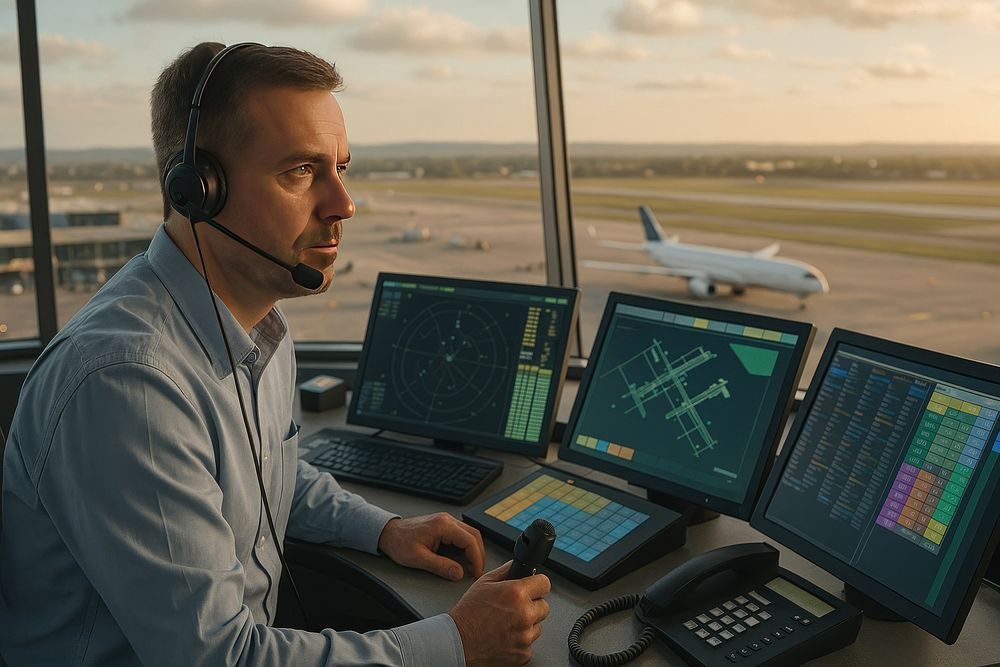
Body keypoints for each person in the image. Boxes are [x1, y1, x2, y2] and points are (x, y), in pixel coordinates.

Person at [0, 42, 550, 666]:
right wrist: (459, 642)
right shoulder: (128, 384)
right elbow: (222, 659)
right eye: (300, 172)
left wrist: (383, 528)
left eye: (342, 168)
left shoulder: (260, 325)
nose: (342, 205)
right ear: (198, 190)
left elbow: (266, 472)